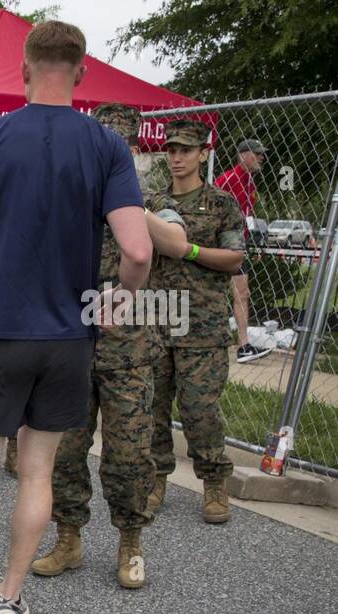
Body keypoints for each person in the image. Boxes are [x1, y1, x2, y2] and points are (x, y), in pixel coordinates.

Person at [0, 20, 152, 614]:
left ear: (24, 71)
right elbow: (138, 250)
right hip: (66, 342)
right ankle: (16, 593)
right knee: (37, 472)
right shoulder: (107, 147)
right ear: (81, 73)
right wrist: (118, 298)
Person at [32, 103, 190, 590]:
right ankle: (69, 539)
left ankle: (130, 543)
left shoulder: (154, 201)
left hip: (132, 353)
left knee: (128, 455)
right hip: (73, 347)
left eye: (118, 149)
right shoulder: (67, 200)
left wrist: (125, 203)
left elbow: (178, 245)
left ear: (136, 152)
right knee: (65, 451)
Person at [147, 119, 245, 524]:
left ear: (203, 154)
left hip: (202, 323)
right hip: (156, 317)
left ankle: (214, 481)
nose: (176, 158)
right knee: (152, 407)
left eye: (185, 150)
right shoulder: (153, 204)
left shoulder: (221, 203)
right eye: (171, 150)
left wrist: (186, 251)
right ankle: (155, 479)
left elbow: (234, 258)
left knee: (200, 410)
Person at [215, 138, 268, 361]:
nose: (261, 158)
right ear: (243, 155)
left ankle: (243, 344)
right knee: (226, 293)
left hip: (239, 245)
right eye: (256, 154)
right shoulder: (228, 179)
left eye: (261, 154)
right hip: (222, 244)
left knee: (242, 293)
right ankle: (235, 342)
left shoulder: (250, 183)